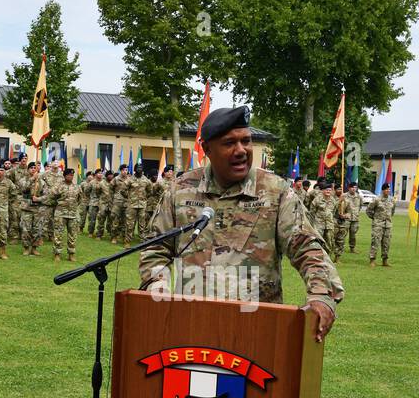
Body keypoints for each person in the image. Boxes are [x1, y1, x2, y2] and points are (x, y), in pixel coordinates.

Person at [139, 106, 341, 342]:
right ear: (207, 149)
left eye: (246, 141)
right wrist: (157, 286)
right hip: (190, 325)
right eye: (229, 143)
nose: (241, 151)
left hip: (256, 329)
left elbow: (307, 246)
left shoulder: (275, 192)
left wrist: (320, 293)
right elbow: (156, 248)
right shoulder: (181, 190)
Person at [49, 166, 83, 261]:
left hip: (72, 214)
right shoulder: (58, 186)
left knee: (72, 235)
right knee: (58, 234)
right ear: (64, 176)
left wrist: (73, 207)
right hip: (60, 214)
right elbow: (51, 197)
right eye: (69, 175)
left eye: (72, 175)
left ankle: (71, 254)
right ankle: (57, 253)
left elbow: (80, 199)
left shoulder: (77, 187)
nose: (70, 177)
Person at [369, 183, 394, 267]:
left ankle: (385, 260)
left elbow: (392, 211)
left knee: (386, 243)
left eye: (389, 189)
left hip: (388, 225)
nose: (388, 191)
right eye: (386, 189)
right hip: (378, 225)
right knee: (375, 242)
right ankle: (372, 260)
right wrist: (375, 219)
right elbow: (369, 210)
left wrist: (388, 219)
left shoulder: (392, 200)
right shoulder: (377, 199)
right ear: (383, 190)